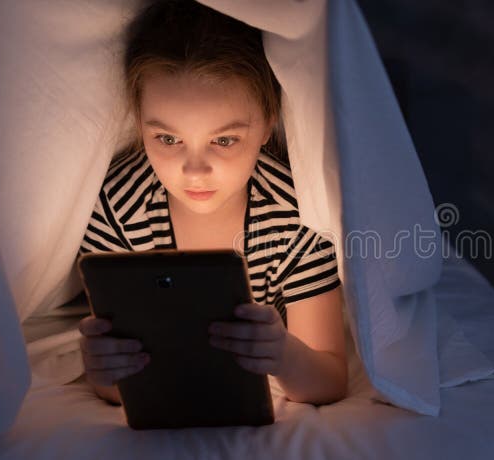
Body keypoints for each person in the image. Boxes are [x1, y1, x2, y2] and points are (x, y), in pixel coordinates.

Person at [76, 0, 347, 407]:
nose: (195, 171)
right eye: (168, 139)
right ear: (140, 123)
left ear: (267, 123)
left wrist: (285, 355)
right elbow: (113, 380)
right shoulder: (119, 205)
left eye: (224, 140)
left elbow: (329, 378)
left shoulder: (297, 217)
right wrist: (104, 373)